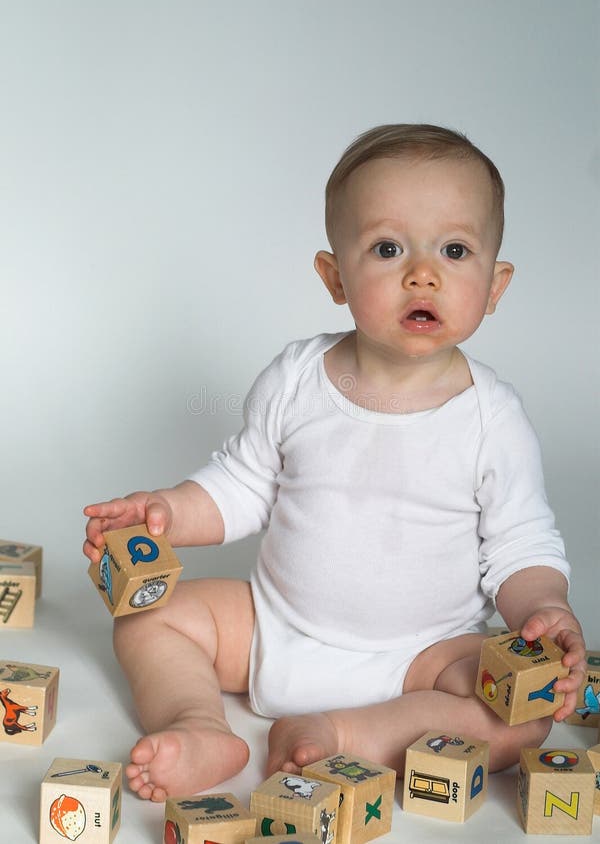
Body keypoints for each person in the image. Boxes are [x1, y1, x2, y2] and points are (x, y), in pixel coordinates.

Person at [83, 124, 586, 803]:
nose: (422, 272)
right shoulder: (297, 378)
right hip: (272, 626)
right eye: (386, 248)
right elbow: (241, 485)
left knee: (519, 720)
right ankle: (199, 725)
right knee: (149, 617)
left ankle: (343, 734)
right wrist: (166, 512)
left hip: (426, 659)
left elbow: (520, 545)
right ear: (335, 277)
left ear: (494, 286)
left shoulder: (492, 419)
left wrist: (546, 606)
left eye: (455, 250)